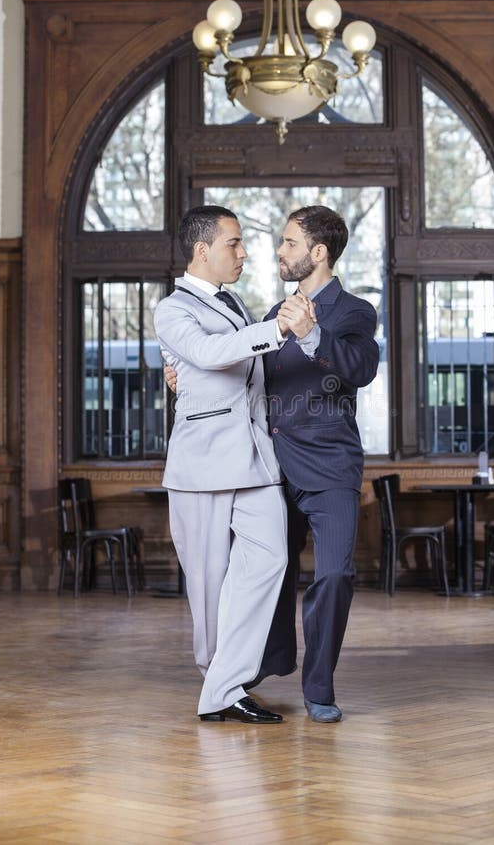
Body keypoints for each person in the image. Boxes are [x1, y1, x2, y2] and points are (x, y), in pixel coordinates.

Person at [165, 204, 380, 723]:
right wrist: (184, 380)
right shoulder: (265, 315)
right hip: (269, 467)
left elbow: (361, 368)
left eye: (287, 243)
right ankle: (258, 667)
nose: (277, 252)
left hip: (330, 469)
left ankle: (320, 686)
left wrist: (310, 336)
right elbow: (235, 372)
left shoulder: (354, 312)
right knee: (268, 573)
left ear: (318, 253)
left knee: (333, 575)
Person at [154, 204, 296, 724]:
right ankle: (222, 689)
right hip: (203, 464)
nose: (242, 252)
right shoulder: (172, 309)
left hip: (255, 459)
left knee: (269, 561)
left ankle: (223, 684)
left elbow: (216, 368)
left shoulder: (232, 301)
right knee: (208, 586)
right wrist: (275, 328)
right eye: (233, 243)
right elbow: (209, 354)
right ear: (202, 250)